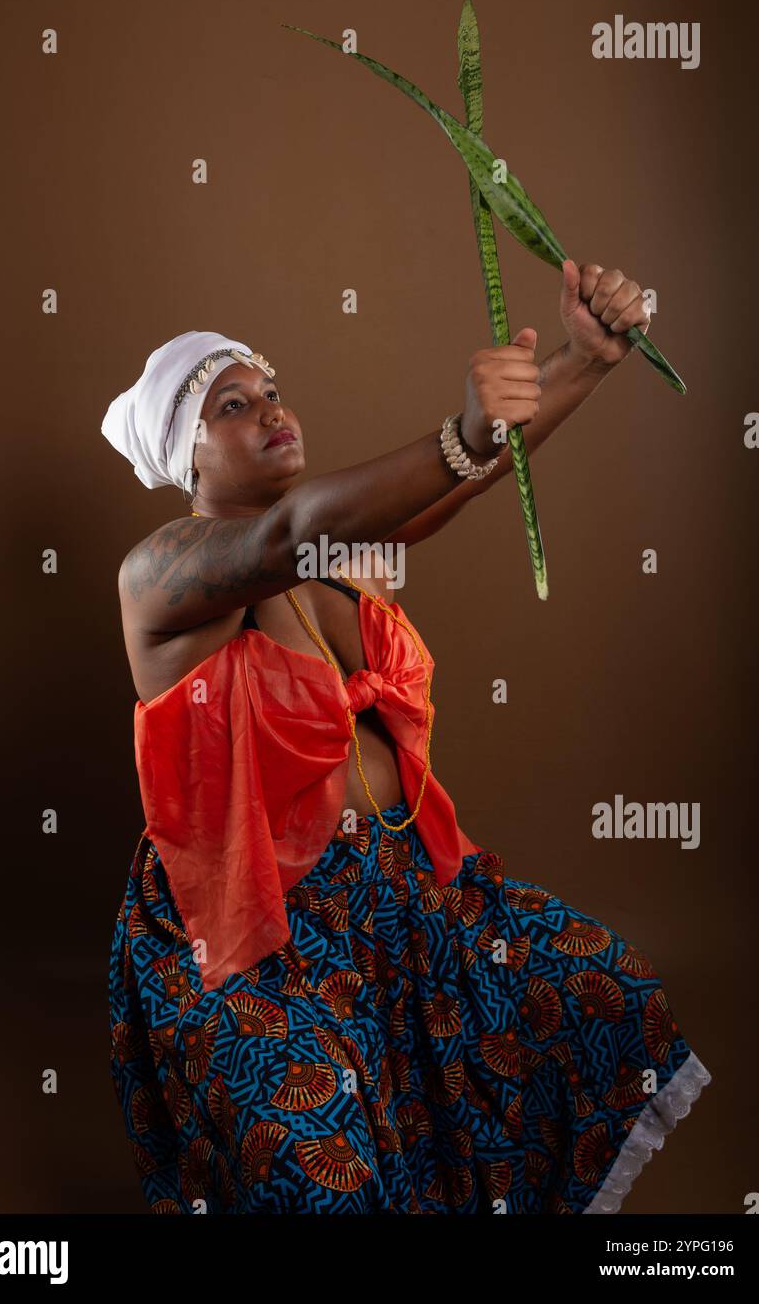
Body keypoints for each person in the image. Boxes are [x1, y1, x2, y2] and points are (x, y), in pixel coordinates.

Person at [103, 259, 711, 1214]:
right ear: (185, 454)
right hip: (257, 936)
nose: (270, 409)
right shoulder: (163, 577)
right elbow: (285, 534)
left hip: (398, 900)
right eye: (230, 405)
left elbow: (452, 489)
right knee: (325, 1162)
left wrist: (583, 361)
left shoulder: (337, 554)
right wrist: (463, 430)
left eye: (272, 390)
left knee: (601, 990)